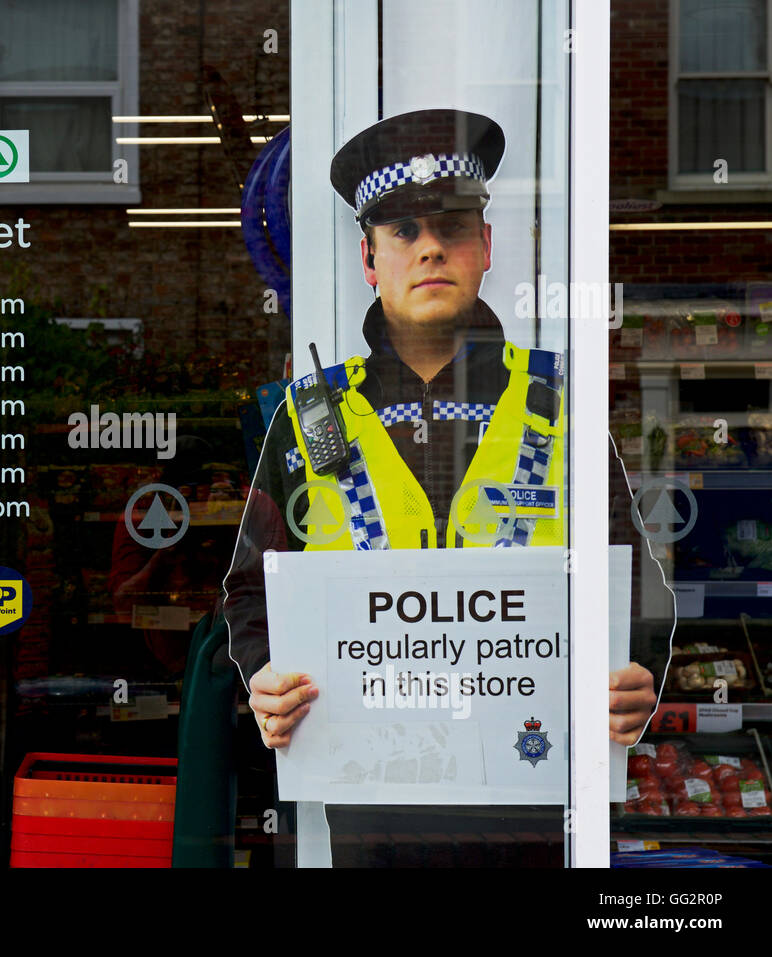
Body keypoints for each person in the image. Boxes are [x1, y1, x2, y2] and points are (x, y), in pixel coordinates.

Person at [222, 109, 669, 864]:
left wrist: (640, 676)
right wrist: (264, 674)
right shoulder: (308, 421)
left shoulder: (557, 409)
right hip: (370, 809)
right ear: (368, 258)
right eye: (402, 231)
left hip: (527, 804)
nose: (429, 246)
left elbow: (635, 586)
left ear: (486, 246)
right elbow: (247, 590)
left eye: (453, 226)